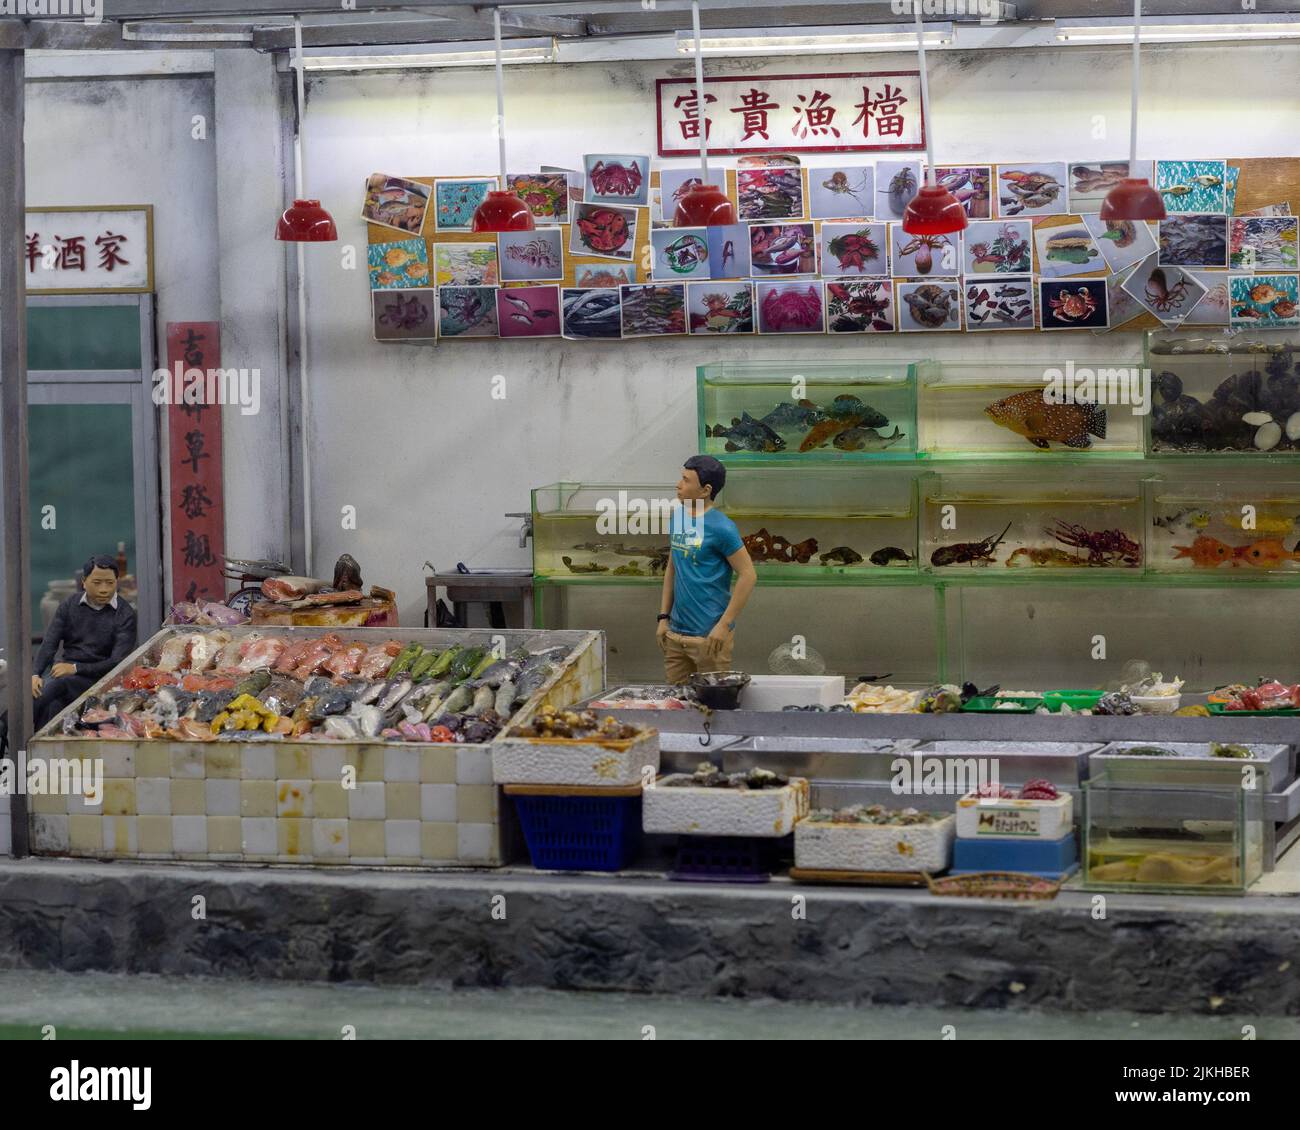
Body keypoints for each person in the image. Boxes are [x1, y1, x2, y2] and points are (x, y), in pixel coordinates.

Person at [657, 455, 756, 684]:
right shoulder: (678, 516)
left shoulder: (722, 528)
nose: (678, 485)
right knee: (677, 704)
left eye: (686, 480)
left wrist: (724, 625)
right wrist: (663, 617)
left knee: (713, 708)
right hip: (675, 634)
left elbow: (748, 575)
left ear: (705, 490)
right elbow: (673, 567)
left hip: (709, 636)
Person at [31, 554, 137, 731]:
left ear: (116, 581)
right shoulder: (69, 604)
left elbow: (116, 663)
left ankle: (8, 725)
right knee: (51, 706)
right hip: (66, 674)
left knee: (57, 684)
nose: (104, 589)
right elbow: (50, 642)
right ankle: (34, 749)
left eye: (110, 583)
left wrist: (75, 668)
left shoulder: (125, 614)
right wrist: (35, 673)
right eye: (97, 583)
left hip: (101, 680)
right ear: (84, 581)